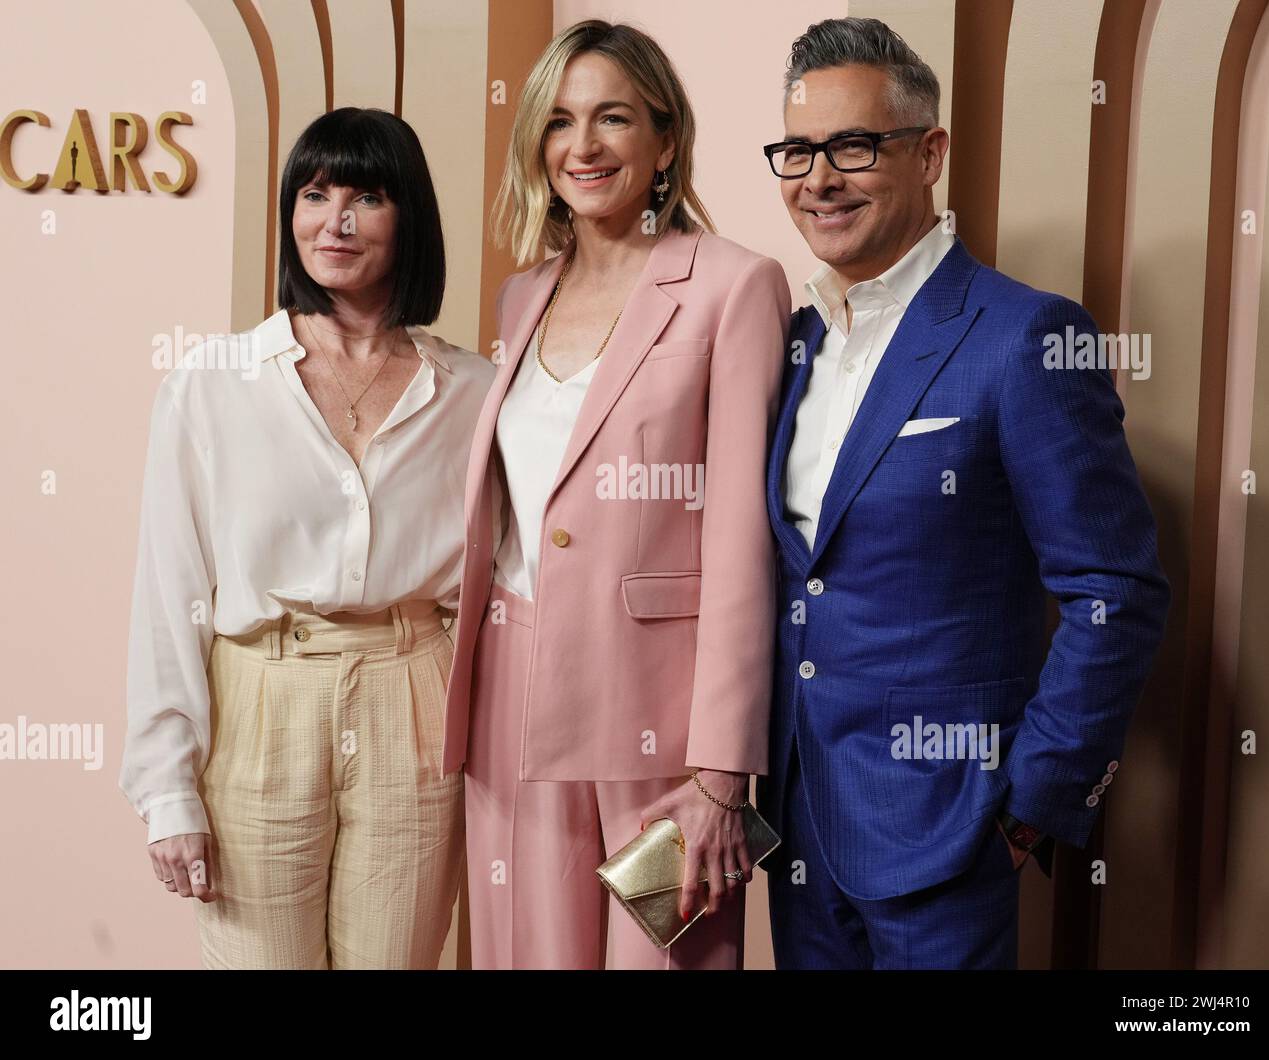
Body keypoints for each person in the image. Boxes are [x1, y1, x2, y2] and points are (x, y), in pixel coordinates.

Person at [757, 18, 1170, 969]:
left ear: (930, 150)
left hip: (951, 829)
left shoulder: (1025, 337)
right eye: (797, 151)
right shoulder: (788, 341)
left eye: (854, 146)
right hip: (798, 824)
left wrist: (1032, 805)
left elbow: (1117, 590)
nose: (818, 178)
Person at [443, 20, 790, 969]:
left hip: (659, 717)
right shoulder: (523, 297)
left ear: (666, 139)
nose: (582, 147)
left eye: (612, 119)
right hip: (509, 697)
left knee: (667, 964)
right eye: (559, 122)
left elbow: (740, 542)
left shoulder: (735, 286)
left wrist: (723, 769)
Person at [120, 108, 493, 968]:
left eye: (367, 196)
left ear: (410, 221)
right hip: (261, 696)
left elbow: (503, 581)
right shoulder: (212, 386)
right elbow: (168, 594)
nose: (337, 220)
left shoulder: (473, 390)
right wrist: (168, 790)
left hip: (414, 698)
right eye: (315, 193)